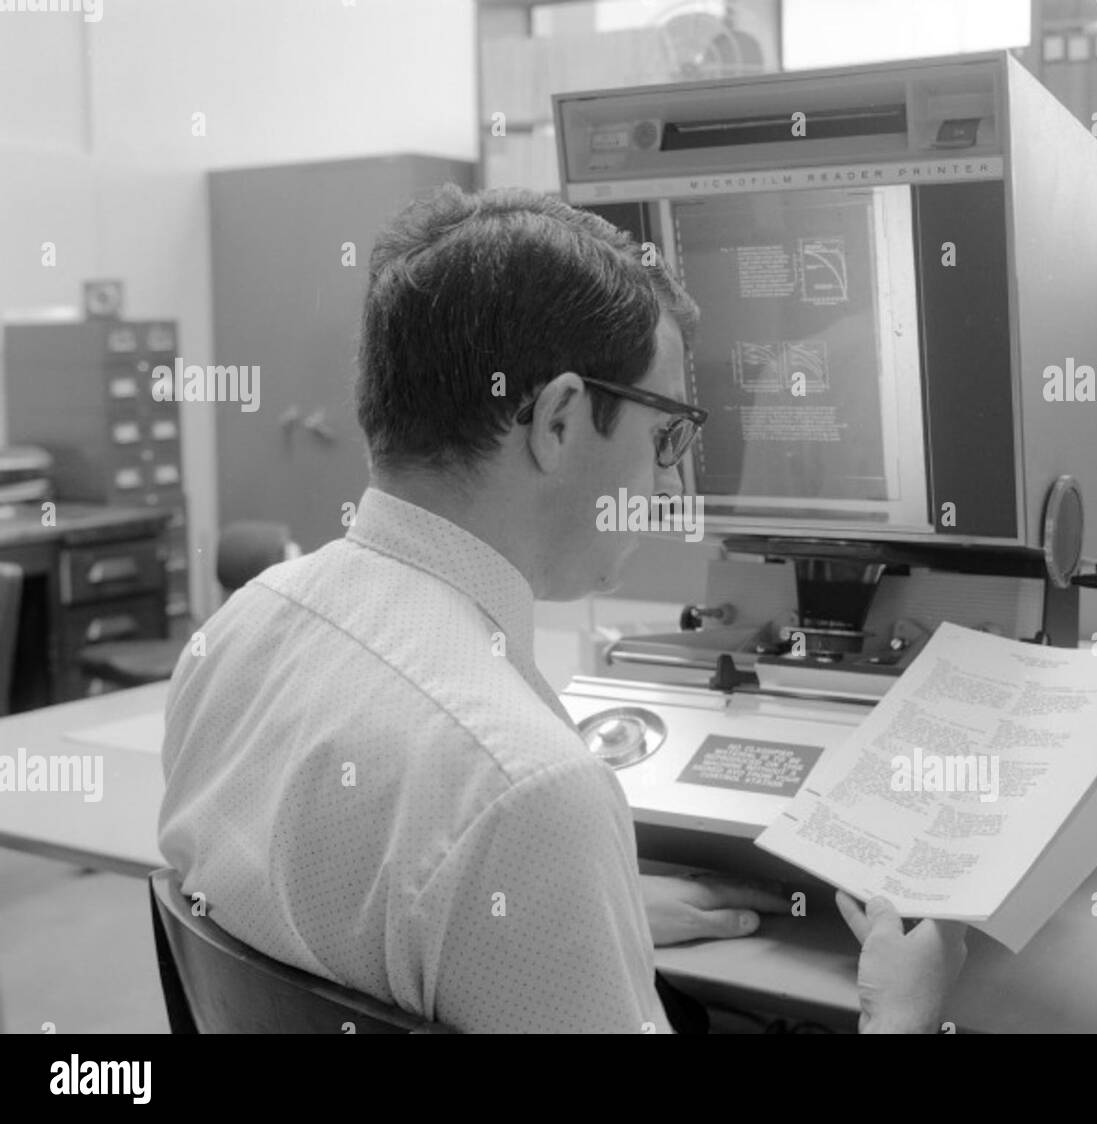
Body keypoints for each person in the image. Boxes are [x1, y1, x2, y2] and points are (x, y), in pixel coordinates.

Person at [158, 184, 966, 1033]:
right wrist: (901, 1020)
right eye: (666, 436)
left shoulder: (234, 635)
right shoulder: (530, 787)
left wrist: (571, 909)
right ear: (559, 420)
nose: (672, 483)